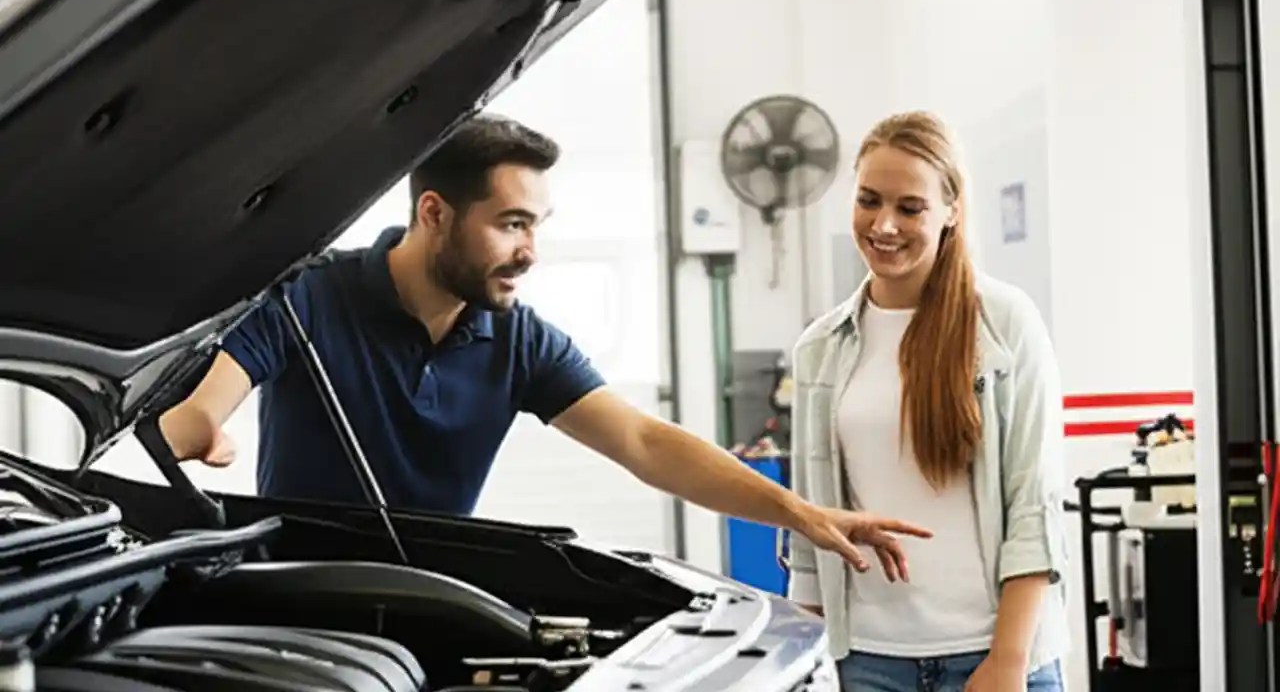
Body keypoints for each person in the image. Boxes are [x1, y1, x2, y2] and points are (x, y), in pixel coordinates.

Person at [158, 112, 933, 578]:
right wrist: (203, 434)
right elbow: (193, 414)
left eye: (538, 225)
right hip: (286, 613)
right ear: (436, 213)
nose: (531, 250)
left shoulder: (517, 340)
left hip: (427, 608)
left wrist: (796, 513)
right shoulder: (308, 297)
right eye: (512, 224)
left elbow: (642, 441)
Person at [784, 110, 1069, 692]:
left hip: (994, 654)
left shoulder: (1003, 323)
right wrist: (810, 664)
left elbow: (1033, 504)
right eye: (868, 201)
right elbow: (811, 521)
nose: (884, 225)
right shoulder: (821, 347)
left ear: (950, 212)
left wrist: (1008, 662)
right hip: (865, 661)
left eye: (909, 208)